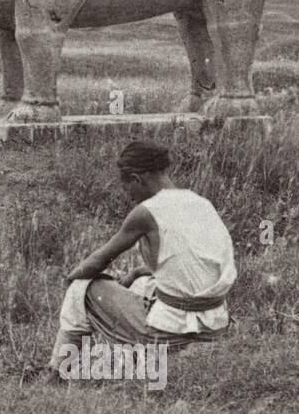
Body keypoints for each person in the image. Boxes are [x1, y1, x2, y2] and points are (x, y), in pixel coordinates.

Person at [48, 140, 236, 372]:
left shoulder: (146, 213)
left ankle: (58, 369)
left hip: (172, 331)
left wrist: (70, 280)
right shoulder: (201, 203)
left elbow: (98, 261)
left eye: (127, 188)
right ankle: (142, 359)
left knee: (81, 287)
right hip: (215, 324)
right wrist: (137, 271)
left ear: (137, 179)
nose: (129, 196)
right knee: (140, 282)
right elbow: (194, 264)